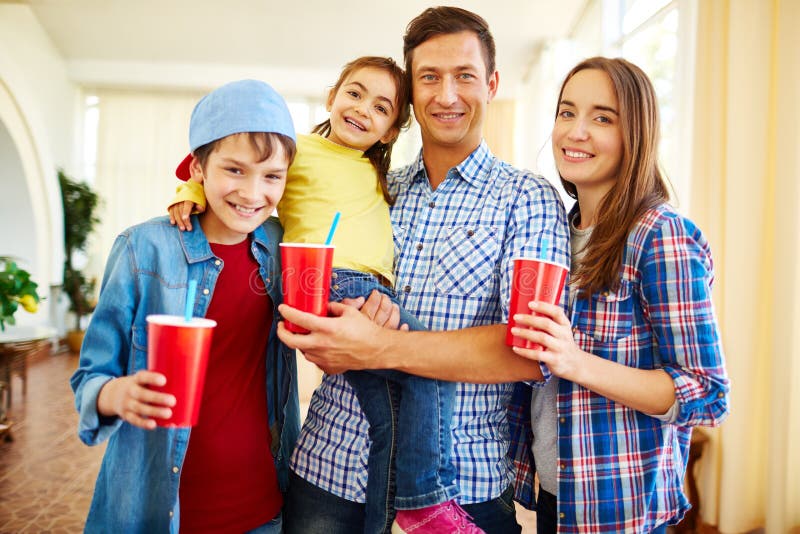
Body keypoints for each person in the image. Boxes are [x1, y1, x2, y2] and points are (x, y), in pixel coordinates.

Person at [274, 7, 569, 534]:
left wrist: (377, 346)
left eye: (465, 76)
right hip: (329, 467)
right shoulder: (375, 188)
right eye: (429, 77)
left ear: (492, 83)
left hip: (461, 488)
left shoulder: (527, 198)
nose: (447, 95)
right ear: (411, 95)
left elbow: (532, 353)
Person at [168, 56, 484, 533]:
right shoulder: (302, 151)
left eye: (381, 108)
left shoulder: (374, 171)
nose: (362, 109)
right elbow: (245, 168)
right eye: (354, 94)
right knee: (428, 370)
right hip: (335, 281)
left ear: (390, 132)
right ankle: (424, 498)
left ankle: (391, 517)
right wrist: (189, 189)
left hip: (370, 291)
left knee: (390, 420)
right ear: (332, 96)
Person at [506, 57, 730, 533]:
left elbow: (708, 393)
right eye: (566, 113)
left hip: (621, 510)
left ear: (636, 135)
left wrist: (575, 360)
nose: (576, 131)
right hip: (556, 501)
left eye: (602, 118)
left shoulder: (660, 235)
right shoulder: (553, 234)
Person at [70, 79, 301, 533]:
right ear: (198, 166)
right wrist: (115, 394)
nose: (253, 193)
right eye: (234, 170)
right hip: (154, 509)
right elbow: (90, 376)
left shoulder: (281, 246)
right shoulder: (143, 249)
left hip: (262, 506)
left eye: (271, 175)